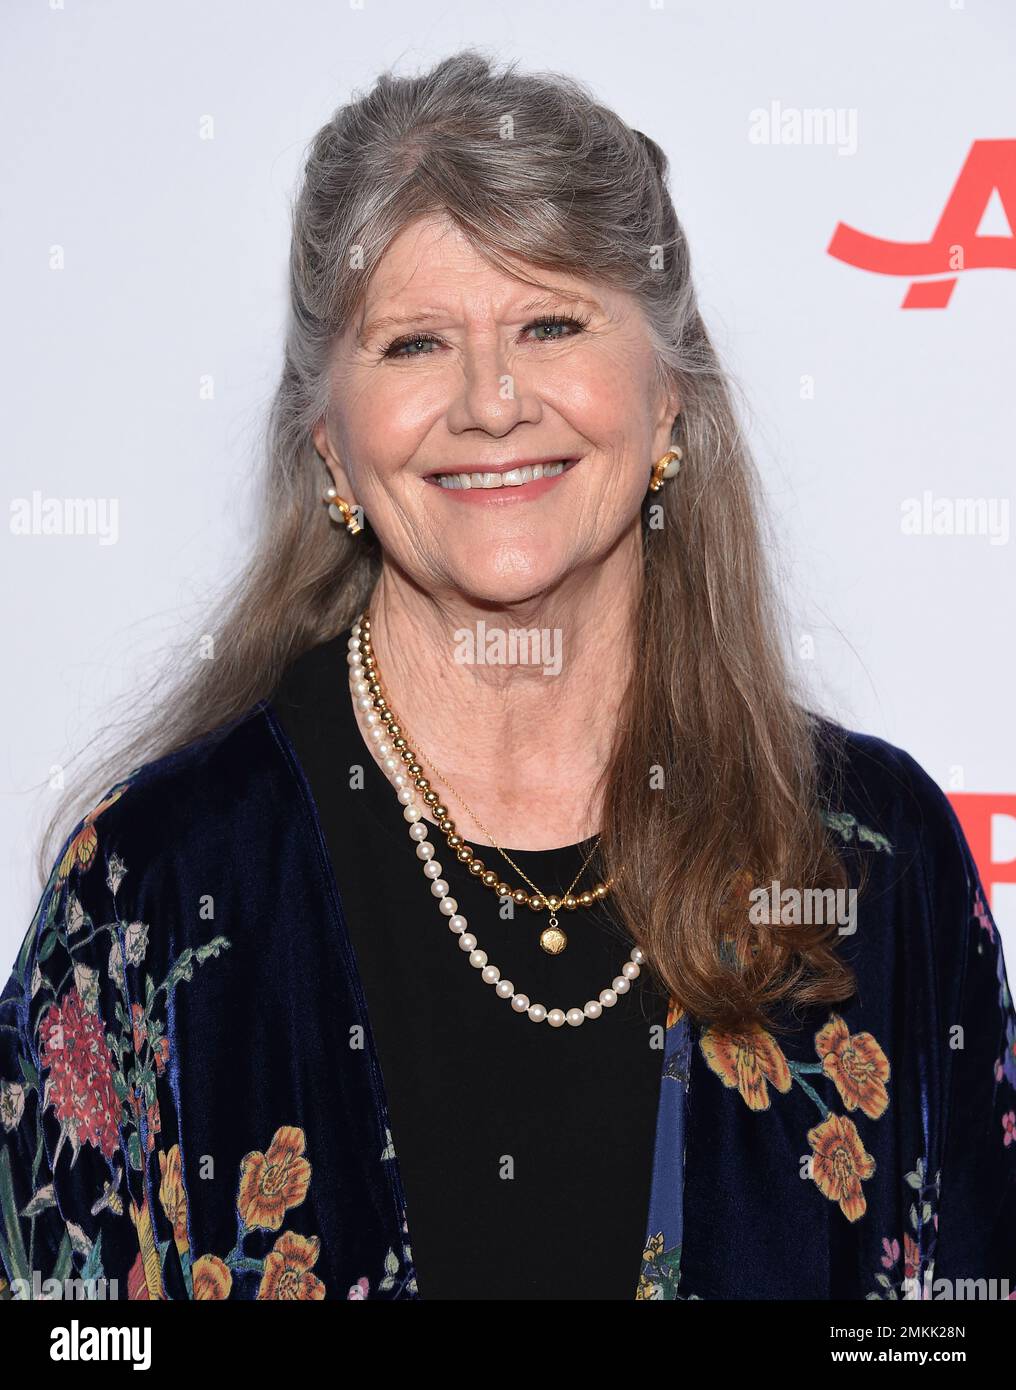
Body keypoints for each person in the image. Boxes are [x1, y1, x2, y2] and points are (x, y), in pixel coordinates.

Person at [2, 50, 1013, 1303]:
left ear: (669, 403)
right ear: (329, 440)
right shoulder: (154, 888)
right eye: (416, 342)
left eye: (549, 324)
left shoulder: (873, 868)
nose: (488, 401)